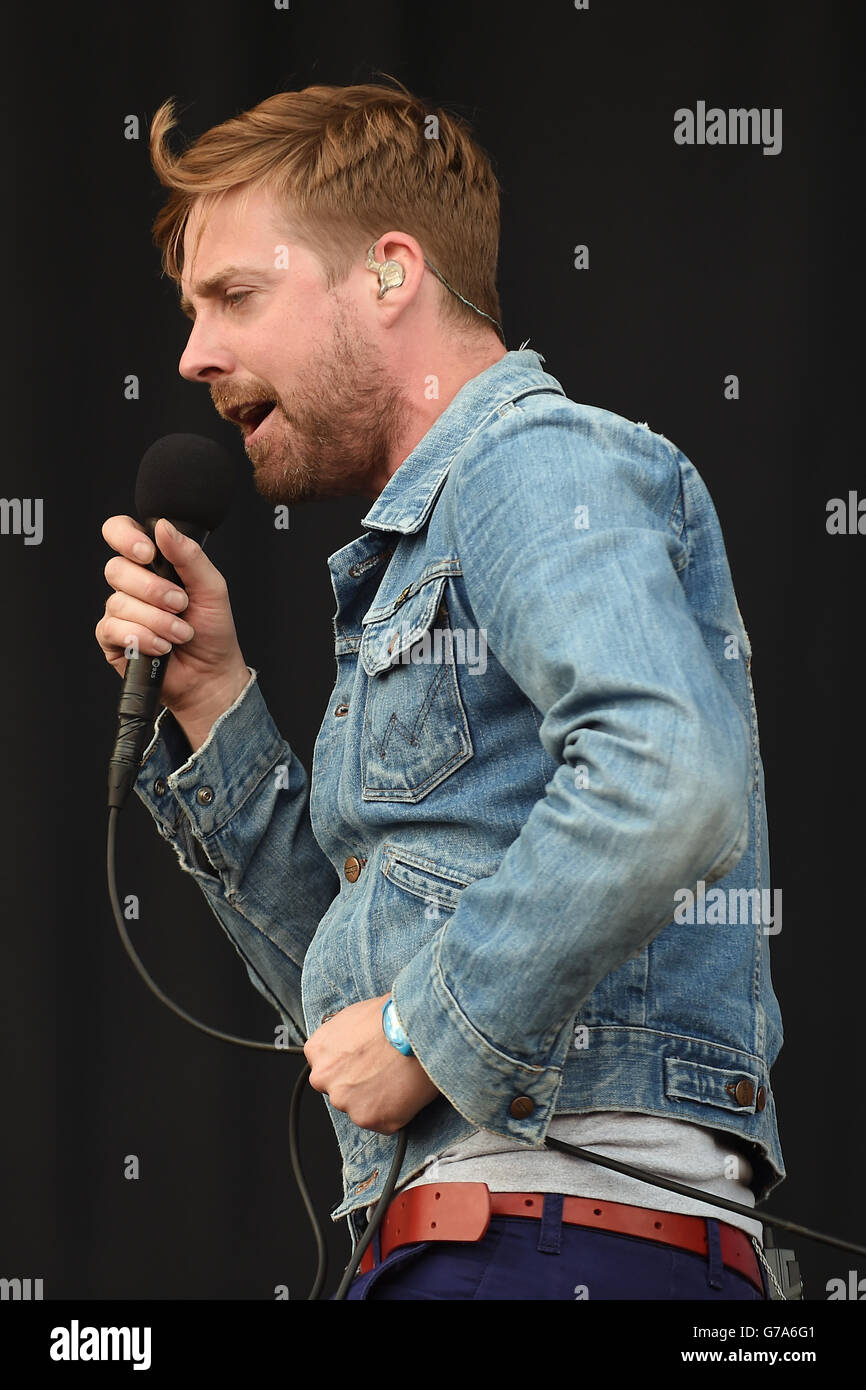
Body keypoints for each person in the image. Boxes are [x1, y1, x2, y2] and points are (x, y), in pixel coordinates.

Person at [95, 79, 784, 1300]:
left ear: (389, 272)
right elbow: (348, 1009)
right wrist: (211, 702)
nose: (194, 352)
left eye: (234, 297)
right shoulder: (416, 549)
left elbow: (666, 776)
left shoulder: (529, 463)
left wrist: (426, 1030)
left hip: (551, 1239)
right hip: (464, 1237)